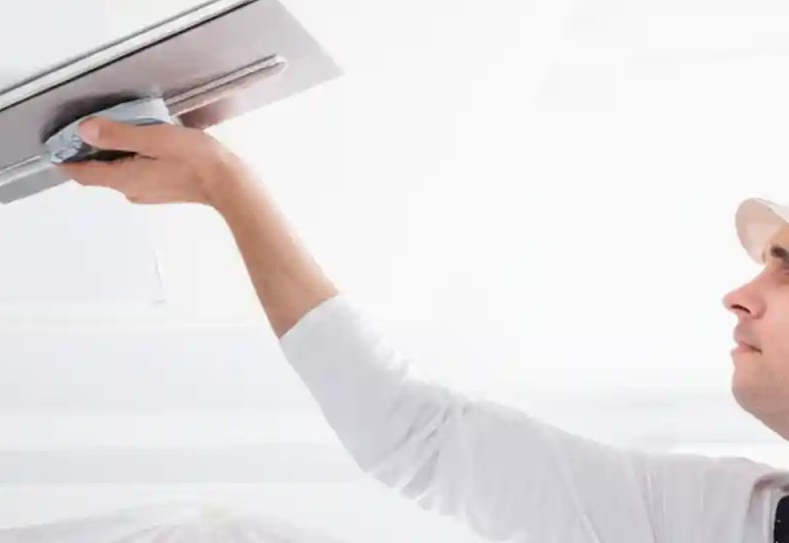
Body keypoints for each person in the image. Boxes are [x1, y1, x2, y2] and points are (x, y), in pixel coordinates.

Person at [61, 116, 789, 543]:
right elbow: (424, 441)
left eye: (785, 271)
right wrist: (226, 186)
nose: (737, 297)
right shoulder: (724, 519)